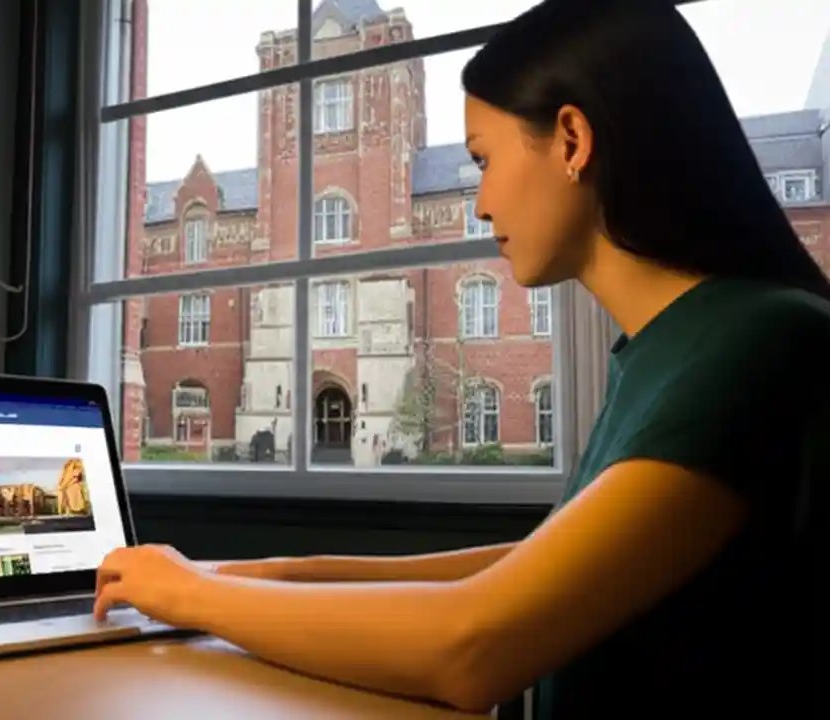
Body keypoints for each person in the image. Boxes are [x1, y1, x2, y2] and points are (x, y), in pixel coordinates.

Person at [93, 0, 827, 717]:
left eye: (484, 161)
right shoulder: (669, 348)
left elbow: (471, 645)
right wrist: (275, 574)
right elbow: (531, 565)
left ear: (572, 141)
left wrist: (191, 595)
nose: (478, 203)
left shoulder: (753, 345)